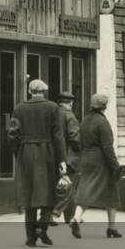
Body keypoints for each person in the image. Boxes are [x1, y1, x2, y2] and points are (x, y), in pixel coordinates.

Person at [8, 79, 66, 247]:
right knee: (50, 192)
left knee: (29, 194)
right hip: (47, 152)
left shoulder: (19, 108)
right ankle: (42, 225)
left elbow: (12, 134)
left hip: (25, 152)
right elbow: (58, 135)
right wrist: (62, 159)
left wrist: (18, 152)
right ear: (44, 91)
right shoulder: (52, 107)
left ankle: (30, 238)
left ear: (29, 91)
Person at [69, 93, 125, 239]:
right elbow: (107, 147)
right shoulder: (102, 122)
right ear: (104, 106)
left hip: (86, 158)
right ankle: (111, 227)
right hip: (101, 160)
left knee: (86, 189)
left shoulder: (85, 120)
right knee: (111, 191)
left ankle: (76, 217)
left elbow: (79, 142)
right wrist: (115, 166)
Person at [50, 91, 80, 225]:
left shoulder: (52, 115)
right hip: (69, 157)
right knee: (69, 186)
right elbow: (75, 138)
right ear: (71, 103)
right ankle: (57, 215)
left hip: (52, 155)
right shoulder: (70, 116)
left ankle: (69, 216)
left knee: (59, 186)